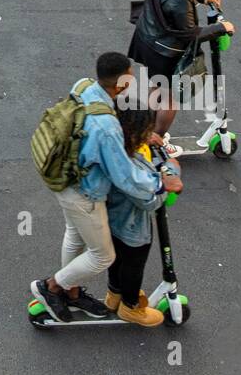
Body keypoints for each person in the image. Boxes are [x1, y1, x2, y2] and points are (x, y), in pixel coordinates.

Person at [30, 52, 183, 324]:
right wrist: (162, 182)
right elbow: (126, 178)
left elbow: (103, 123)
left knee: (75, 237)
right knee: (103, 256)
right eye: (130, 76)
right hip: (84, 192)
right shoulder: (107, 127)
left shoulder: (85, 86)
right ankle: (52, 286)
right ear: (122, 81)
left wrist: (140, 133)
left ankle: (72, 292)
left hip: (64, 175)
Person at [128, 0, 233, 136]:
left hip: (148, 40)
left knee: (157, 85)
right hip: (164, 51)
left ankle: (147, 129)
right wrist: (221, 27)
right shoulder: (178, 1)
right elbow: (189, 34)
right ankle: (157, 140)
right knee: (170, 100)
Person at [105, 106, 181, 324]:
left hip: (113, 219)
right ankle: (130, 307)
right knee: (133, 265)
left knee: (117, 260)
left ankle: (114, 295)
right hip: (133, 226)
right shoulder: (132, 166)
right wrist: (172, 173)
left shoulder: (118, 148)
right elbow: (148, 201)